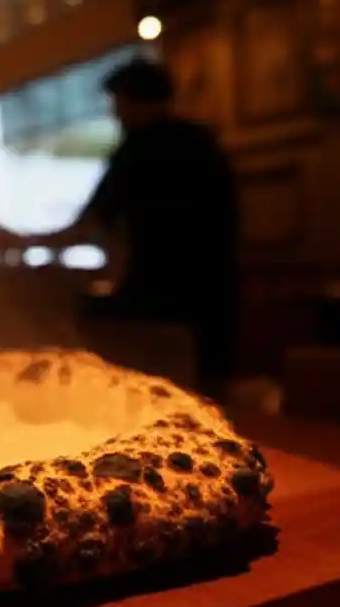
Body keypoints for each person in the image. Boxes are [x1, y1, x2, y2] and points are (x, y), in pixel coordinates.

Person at [24, 58, 239, 397]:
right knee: (209, 398)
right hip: (215, 297)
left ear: (133, 101)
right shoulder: (203, 142)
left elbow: (89, 225)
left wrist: (23, 242)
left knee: (86, 342)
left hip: (156, 297)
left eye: (118, 103)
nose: (115, 113)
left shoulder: (137, 149)